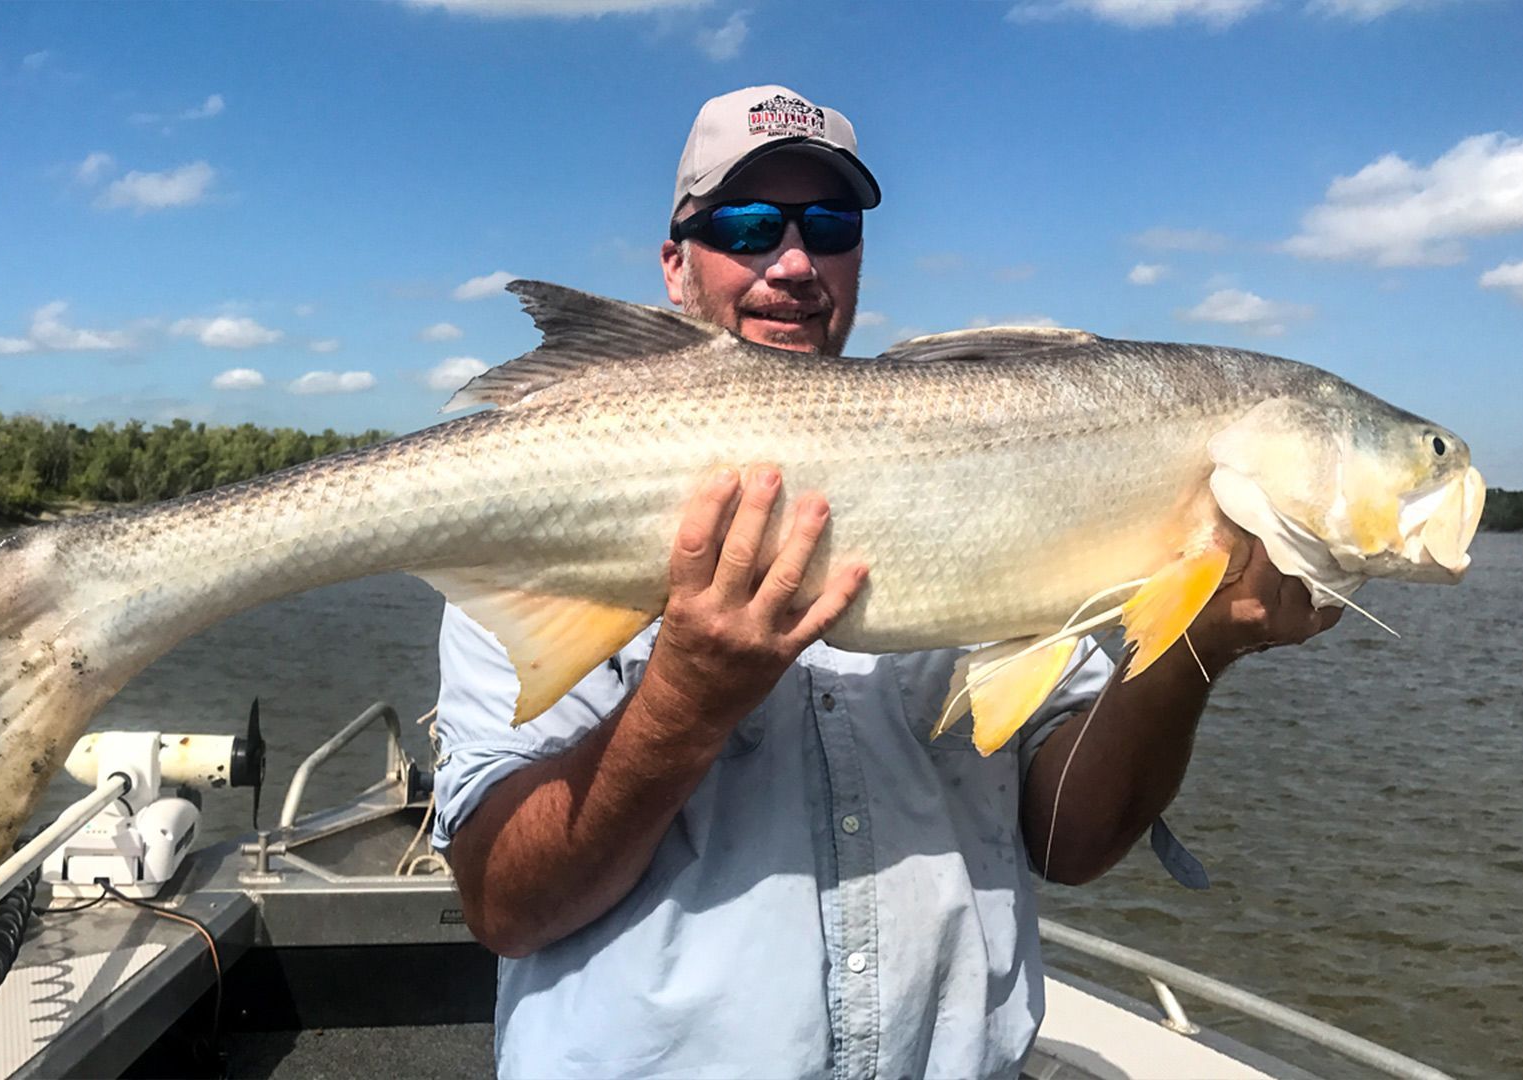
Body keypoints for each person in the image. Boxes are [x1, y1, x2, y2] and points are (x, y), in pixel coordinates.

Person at [430, 85, 1339, 1078]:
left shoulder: (991, 471)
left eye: (829, 227)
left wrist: (1193, 648)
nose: (793, 263)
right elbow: (505, 908)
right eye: (746, 226)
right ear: (674, 264)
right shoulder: (539, 510)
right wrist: (684, 705)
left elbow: (1072, 844)